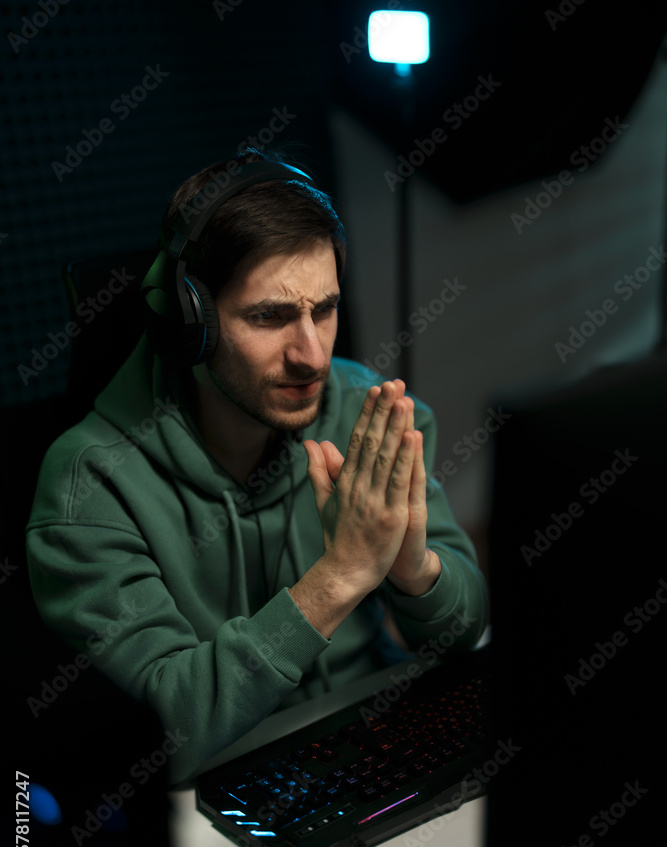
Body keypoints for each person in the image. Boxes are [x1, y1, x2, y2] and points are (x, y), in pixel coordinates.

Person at [25, 148, 488, 784]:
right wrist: (341, 576)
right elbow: (164, 738)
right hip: (211, 805)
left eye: (323, 310)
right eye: (271, 316)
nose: (312, 356)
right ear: (189, 324)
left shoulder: (367, 415)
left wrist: (415, 571)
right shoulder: (89, 490)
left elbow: (466, 632)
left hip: (368, 744)